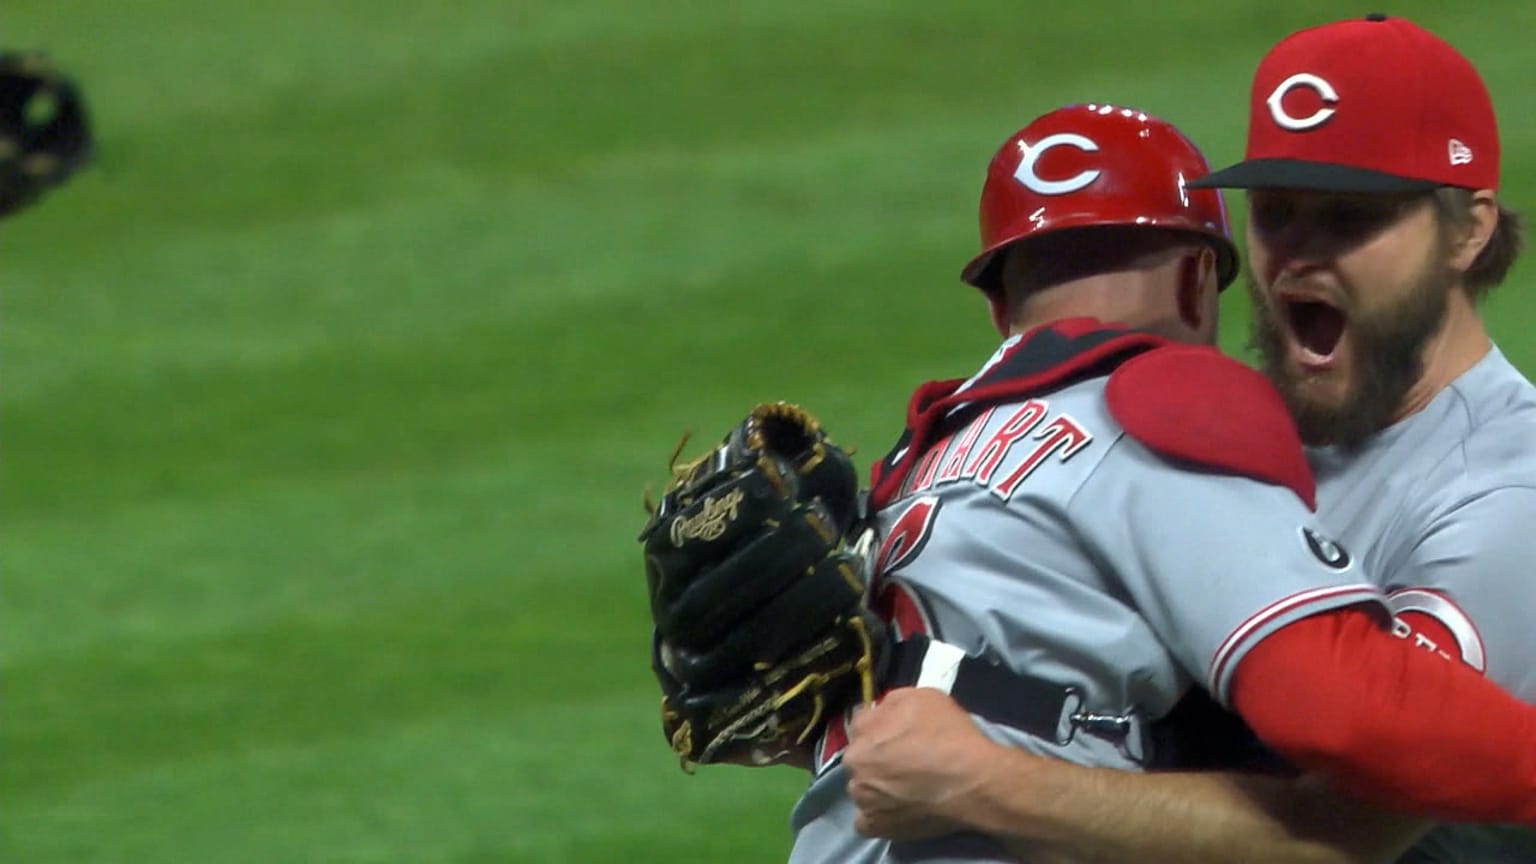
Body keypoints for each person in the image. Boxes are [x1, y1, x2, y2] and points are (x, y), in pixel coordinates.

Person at [841, 15, 1536, 864]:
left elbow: (1342, 838)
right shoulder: (1195, 442)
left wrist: (985, 781)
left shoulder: (1505, 497)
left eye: (1351, 218)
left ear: (1467, 229)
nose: (1301, 259)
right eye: (1278, 214)